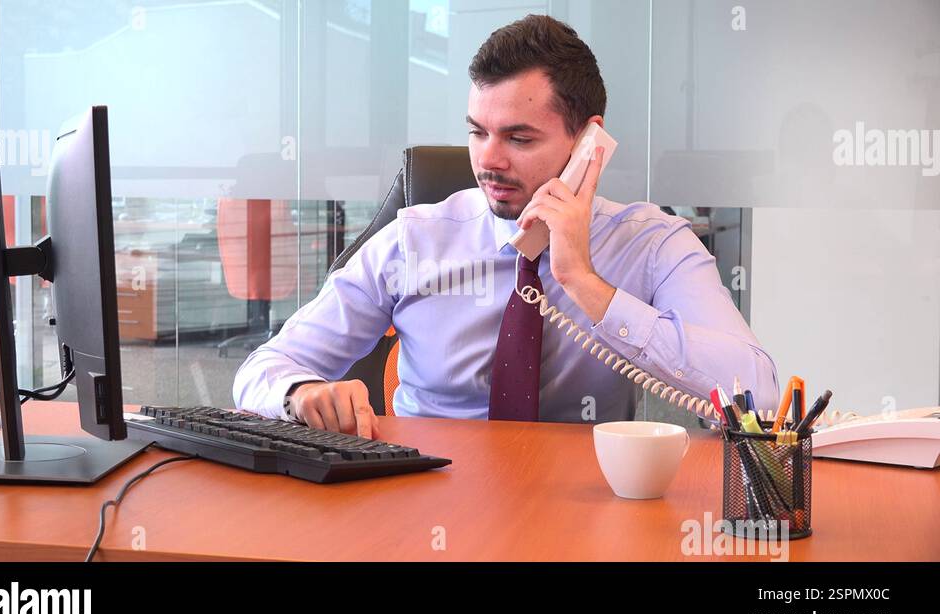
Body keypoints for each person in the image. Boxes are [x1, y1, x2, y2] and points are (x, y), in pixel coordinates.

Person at [233, 14, 778, 439]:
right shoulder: (415, 239)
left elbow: (760, 395)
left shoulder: (652, 244)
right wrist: (298, 392)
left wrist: (585, 283)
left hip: (584, 512)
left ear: (588, 143)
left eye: (519, 139)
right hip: (429, 501)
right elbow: (266, 366)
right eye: (477, 132)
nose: (488, 160)